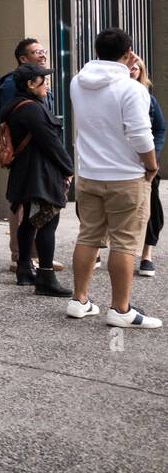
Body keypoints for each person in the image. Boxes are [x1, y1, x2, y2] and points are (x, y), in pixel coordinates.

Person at [67, 28, 161, 328]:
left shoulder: (77, 83)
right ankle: (120, 310)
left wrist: (121, 67)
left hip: (90, 173)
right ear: (128, 52)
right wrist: (151, 164)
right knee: (124, 242)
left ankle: (79, 300)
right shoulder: (133, 90)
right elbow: (140, 134)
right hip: (126, 175)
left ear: (96, 50)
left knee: (88, 236)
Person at [0, 37, 63, 274]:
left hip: (37, 153)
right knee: (22, 206)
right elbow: (15, 121)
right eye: (37, 52)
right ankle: (20, 256)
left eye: (43, 51)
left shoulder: (39, 81)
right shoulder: (13, 86)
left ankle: (35, 256)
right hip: (24, 154)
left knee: (33, 205)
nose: (43, 55)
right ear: (23, 59)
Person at [2, 63, 73, 296]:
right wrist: (68, 168)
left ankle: (24, 270)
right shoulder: (32, 109)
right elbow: (50, 142)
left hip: (25, 173)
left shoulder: (14, 105)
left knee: (30, 222)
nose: (48, 84)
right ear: (31, 84)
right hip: (40, 174)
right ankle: (46, 277)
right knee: (48, 222)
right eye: (44, 80)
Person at [127, 54, 164, 277]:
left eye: (136, 69)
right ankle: (100, 252)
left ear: (141, 73)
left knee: (151, 206)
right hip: (119, 162)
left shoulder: (149, 100)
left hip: (146, 161)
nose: (132, 71)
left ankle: (146, 254)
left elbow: (159, 129)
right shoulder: (112, 96)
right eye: (128, 68)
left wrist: (153, 155)